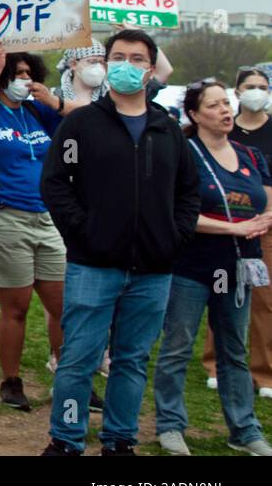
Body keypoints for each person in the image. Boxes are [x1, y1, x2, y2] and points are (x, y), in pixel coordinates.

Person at [40, 28, 201, 456]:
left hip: (153, 269)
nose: (126, 65)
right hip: (93, 265)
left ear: (150, 70)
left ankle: (119, 440)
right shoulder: (80, 124)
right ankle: (67, 438)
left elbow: (188, 191)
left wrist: (174, 237)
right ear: (107, 63)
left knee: (131, 362)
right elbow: (56, 184)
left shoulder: (167, 130)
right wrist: (83, 232)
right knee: (79, 359)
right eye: (118, 56)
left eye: (136, 58)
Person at [152, 80, 272, 456]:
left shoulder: (250, 156)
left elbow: (266, 203)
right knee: (177, 346)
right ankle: (170, 426)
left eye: (227, 103)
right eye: (215, 104)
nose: (225, 110)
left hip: (237, 268)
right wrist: (232, 227)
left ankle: (244, 430)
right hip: (191, 266)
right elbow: (175, 213)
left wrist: (260, 222)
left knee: (233, 349)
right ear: (194, 114)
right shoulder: (184, 154)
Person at [0, 42, 68, 412]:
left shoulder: (39, 112)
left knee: (62, 304)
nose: (23, 81)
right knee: (17, 306)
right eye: (15, 74)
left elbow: (84, 118)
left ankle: (67, 377)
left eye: (28, 74)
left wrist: (52, 100)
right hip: (5, 217)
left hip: (47, 218)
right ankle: (11, 381)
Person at [215, 67, 272, 399]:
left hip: (265, 226)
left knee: (264, 301)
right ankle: (214, 364)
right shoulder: (226, 129)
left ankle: (263, 371)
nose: (256, 91)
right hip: (226, 227)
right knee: (222, 292)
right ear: (237, 92)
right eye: (249, 86)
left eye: (262, 87)